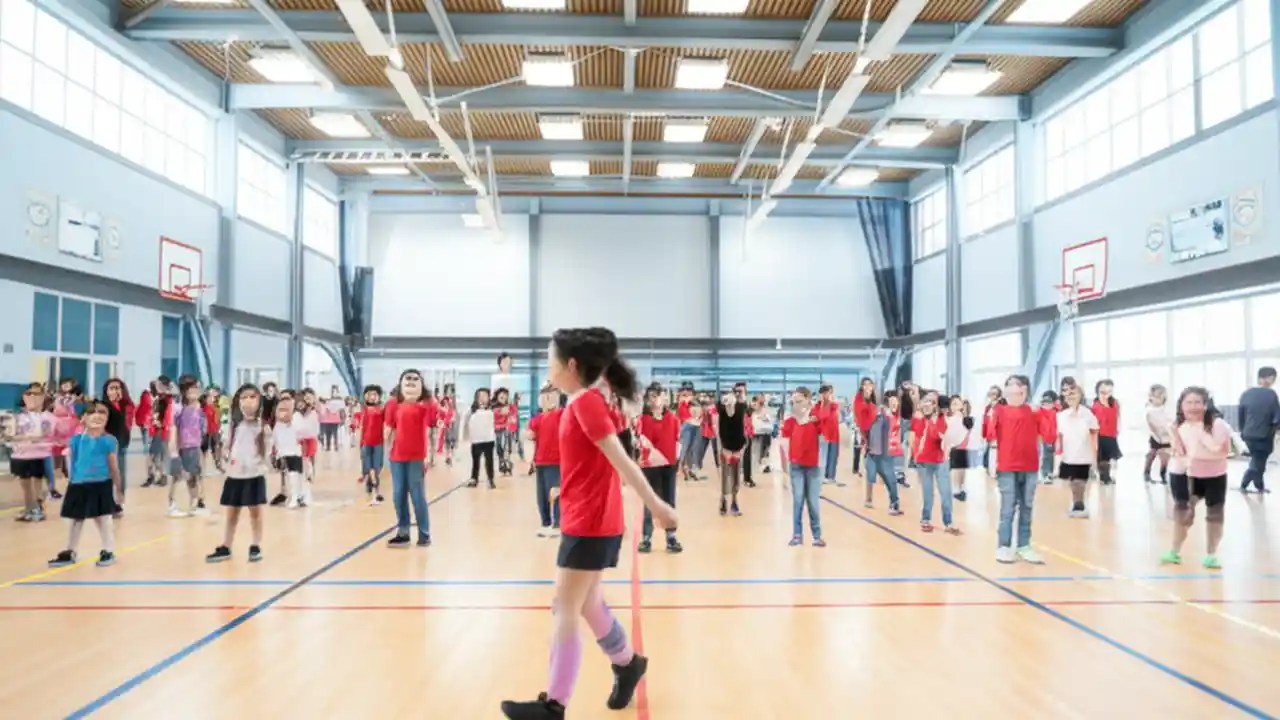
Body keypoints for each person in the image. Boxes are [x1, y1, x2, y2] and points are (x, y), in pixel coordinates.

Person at [500, 327, 676, 720]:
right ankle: (628, 663)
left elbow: (622, 461)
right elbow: (591, 460)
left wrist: (658, 506)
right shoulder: (589, 401)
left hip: (591, 521)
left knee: (564, 605)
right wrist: (567, 487)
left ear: (572, 365)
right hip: (591, 514)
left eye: (551, 359)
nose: (548, 367)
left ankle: (554, 704)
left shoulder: (585, 403)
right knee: (589, 603)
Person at [1163, 387, 1232, 569]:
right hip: (1184, 475)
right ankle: (1174, 552)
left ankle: (1211, 555)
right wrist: (1184, 456)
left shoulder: (1218, 425)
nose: (1193, 407)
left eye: (1197, 402)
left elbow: (1221, 451)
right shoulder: (1176, 425)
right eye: (1188, 402)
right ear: (1181, 405)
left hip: (1213, 475)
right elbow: (1178, 450)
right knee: (1183, 513)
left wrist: (1199, 433)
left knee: (1215, 513)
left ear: (1205, 404)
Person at [47, 401, 122, 568]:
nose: (97, 416)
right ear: (84, 418)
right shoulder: (76, 440)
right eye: (93, 413)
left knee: (103, 518)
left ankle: (108, 549)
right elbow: (73, 462)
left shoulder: (109, 440)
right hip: (79, 484)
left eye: (102, 413)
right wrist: (72, 482)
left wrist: (118, 488)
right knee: (75, 519)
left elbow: (113, 466)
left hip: (100, 483)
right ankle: (70, 550)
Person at [206, 384, 270, 563]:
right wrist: (225, 460)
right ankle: (226, 546)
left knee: (255, 512)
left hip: (254, 475)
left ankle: (256, 545)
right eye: (243, 398)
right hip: (234, 475)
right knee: (232, 513)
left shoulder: (262, 426)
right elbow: (226, 446)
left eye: (252, 397)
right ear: (237, 402)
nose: (248, 401)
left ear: (259, 401)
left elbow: (268, 450)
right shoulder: (234, 425)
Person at [992, 375, 1044, 564]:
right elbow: (988, 433)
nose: (1016, 395)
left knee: (1027, 506)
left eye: (1020, 391)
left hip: (1029, 466)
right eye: (1011, 391)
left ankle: (1024, 545)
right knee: (1008, 507)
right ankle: (1003, 546)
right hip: (1007, 466)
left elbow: (1047, 435)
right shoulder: (998, 411)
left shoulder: (1034, 412)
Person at [384, 370, 436, 548]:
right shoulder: (393, 404)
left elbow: (431, 430)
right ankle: (403, 531)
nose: (412, 382)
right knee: (398, 494)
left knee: (417, 495)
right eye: (408, 378)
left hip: (417, 457)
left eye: (416, 379)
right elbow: (388, 429)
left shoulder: (428, 404)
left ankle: (424, 533)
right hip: (397, 456)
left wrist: (431, 454)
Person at [637, 383, 682, 553]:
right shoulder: (642, 420)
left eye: (659, 396)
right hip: (650, 467)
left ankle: (671, 537)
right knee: (650, 502)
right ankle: (646, 538)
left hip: (668, 466)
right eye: (653, 397)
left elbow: (678, 442)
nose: (656, 401)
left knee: (669, 501)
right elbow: (641, 443)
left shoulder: (673, 419)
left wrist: (678, 463)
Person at [782, 387, 824, 546]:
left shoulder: (816, 415)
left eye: (799, 400)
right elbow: (785, 437)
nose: (796, 404)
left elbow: (826, 425)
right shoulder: (791, 419)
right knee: (798, 500)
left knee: (813, 501)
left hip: (812, 465)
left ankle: (817, 535)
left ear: (807, 399)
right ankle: (797, 535)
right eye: (794, 402)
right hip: (796, 465)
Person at [912, 394, 959, 534]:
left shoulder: (941, 420)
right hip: (924, 461)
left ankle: (948, 522)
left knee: (945, 492)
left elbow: (941, 436)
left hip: (940, 461)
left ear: (935, 406)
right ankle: (925, 519)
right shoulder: (919, 419)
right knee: (928, 492)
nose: (927, 405)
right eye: (924, 402)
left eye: (930, 403)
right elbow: (917, 437)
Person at [9, 384, 55, 522]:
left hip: (38, 455)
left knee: (36, 484)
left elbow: (44, 434)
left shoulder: (46, 417)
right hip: (20, 455)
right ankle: (28, 508)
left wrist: (27, 437)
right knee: (25, 485)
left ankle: (37, 509)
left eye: (36, 394)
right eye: (29, 394)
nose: (32, 397)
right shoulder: (18, 417)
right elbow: (10, 434)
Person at [528, 386, 565, 537]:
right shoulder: (537, 419)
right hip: (540, 462)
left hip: (557, 461)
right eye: (545, 397)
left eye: (551, 397)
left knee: (556, 492)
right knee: (541, 495)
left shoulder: (562, 415)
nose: (548, 400)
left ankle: (558, 523)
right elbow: (530, 434)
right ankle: (545, 522)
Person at [1056, 384, 1098, 519]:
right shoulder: (1061, 415)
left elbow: (1094, 431)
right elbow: (1059, 435)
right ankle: (1076, 502)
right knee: (1072, 481)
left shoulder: (1087, 414)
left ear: (1080, 395)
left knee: (1080, 480)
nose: (1070, 396)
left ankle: (1079, 504)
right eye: (1067, 393)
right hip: (1068, 454)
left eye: (1073, 393)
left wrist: (1095, 453)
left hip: (1084, 453)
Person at [1238, 366, 1280, 493]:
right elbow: (1276, 417)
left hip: (1248, 434)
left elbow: (1241, 415)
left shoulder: (1246, 394)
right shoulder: (1271, 394)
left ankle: (1259, 486)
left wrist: (1243, 431)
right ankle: (1244, 484)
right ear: (1270, 378)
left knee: (1258, 461)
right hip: (1264, 434)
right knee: (1258, 462)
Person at [863, 393, 903, 515]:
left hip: (891, 450)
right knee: (871, 473)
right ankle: (869, 498)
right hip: (877, 449)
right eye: (891, 402)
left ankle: (894, 502)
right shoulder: (881, 414)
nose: (894, 404)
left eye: (896, 402)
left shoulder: (897, 416)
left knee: (889, 477)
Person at [102, 378, 135, 517]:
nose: (115, 390)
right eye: (112, 388)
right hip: (107, 446)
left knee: (121, 474)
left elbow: (129, 418)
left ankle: (117, 502)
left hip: (121, 444)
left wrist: (121, 403)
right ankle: (107, 503)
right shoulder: (103, 406)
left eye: (118, 387)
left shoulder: (125, 405)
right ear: (106, 391)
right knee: (108, 475)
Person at [715, 388, 748, 517]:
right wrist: (723, 450)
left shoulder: (740, 410)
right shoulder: (722, 412)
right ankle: (723, 498)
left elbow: (744, 433)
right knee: (725, 475)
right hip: (725, 448)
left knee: (735, 476)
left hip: (738, 447)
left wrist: (740, 451)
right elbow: (719, 433)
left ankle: (734, 501)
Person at [270, 395, 305, 508]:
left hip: (296, 451)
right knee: (290, 475)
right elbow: (274, 440)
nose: (282, 413)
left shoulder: (297, 419)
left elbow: (303, 435)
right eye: (280, 410)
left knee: (297, 474)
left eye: (286, 410)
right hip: (284, 453)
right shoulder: (278, 426)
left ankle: (298, 496)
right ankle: (294, 496)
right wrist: (274, 454)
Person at [358, 385, 387, 506]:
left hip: (378, 443)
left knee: (377, 467)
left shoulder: (382, 410)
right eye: (369, 395)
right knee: (370, 468)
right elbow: (362, 427)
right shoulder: (364, 410)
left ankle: (372, 483)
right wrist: (361, 443)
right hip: (366, 443)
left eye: (374, 394)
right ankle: (376, 492)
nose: (372, 397)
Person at [943, 396, 974, 502]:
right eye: (953, 404)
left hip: (963, 447)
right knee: (956, 469)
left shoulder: (966, 419)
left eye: (957, 403)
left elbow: (968, 427)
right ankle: (956, 489)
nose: (955, 406)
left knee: (962, 469)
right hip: (954, 447)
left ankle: (961, 487)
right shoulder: (949, 419)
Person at [465, 388, 497, 489]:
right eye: (480, 396)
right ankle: (474, 478)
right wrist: (463, 436)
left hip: (489, 440)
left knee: (489, 461)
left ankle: (490, 479)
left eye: (485, 395)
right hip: (476, 440)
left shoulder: (492, 410)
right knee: (476, 461)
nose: (482, 398)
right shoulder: (471, 410)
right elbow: (463, 422)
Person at [1091, 379, 1121, 485]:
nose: (1106, 395)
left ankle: (1106, 476)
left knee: (1109, 457)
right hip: (1100, 434)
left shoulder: (1115, 403)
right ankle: (1104, 477)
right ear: (1097, 392)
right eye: (1103, 392)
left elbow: (1118, 416)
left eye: (1109, 392)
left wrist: (1118, 429)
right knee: (1102, 458)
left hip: (1111, 434)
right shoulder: (1095, 406)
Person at [1144, 384, 1174, 485]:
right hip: (1155, 435)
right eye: (1155, 396)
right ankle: (1146, 472)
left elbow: (1170, 421)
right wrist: (1157, 434)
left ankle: (1163, 473)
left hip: (1167, 436)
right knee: (1152, 453)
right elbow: (1150, 424)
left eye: (1159, 397)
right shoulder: (1149, 410)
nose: (1157, 399)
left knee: (1165, 455)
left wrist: (1168, 432)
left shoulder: (1167, 409)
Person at [815, 385, 843, 486]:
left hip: (834, 434)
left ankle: (830, 476)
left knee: (833, 455)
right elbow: (821, 416)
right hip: (823, 435)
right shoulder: (819, 406)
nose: (827, 395)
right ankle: (822, 475)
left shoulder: (834, 405)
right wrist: (823, 404)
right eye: (825, 393)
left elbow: (837, 417)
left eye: (829, 393)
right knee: (823, 456)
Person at [852, 378, 878, 479]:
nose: (867, 386)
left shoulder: (874, 398)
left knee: (870, 450)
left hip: (872, 428)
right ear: (862, 387)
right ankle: (857, 470)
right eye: (865, 384)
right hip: (861, 428)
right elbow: (859, 411)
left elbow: (875, 412)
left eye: (869, 384)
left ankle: (869, 469)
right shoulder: (858, 398)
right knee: (859, 448)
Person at [1037, 391, 1059, 485]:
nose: (1046, 405)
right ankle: (1044, 474)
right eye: (1044, 403)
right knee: (1044, 456)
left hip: (1054, 438)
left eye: (1048, 403)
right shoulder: (1038, 413)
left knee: (1050, 457)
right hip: (1042, 438)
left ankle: (1049, 473)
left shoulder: (1056, 413)